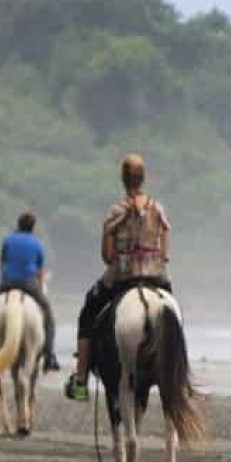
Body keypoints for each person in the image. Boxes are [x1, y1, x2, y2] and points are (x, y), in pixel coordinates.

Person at [64, 154, 170, 402]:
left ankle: (81, 379)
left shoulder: (115, 211)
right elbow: (165, 254)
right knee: (174, 315)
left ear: (123, 180)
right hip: (157, 276)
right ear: (144, 178)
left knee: (89, 310)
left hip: (123, 277)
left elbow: (107, 256)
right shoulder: (159, 210)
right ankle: (181, 372)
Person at [0, 212, 60, 373]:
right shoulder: (37, 244)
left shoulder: (8, 240)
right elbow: (39, 272)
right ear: (33, 227)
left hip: (7, 283)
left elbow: (3, 263)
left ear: (18, 224)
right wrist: (40, 285)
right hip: (29, 283)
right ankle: (49, 355)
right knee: (48, 316)